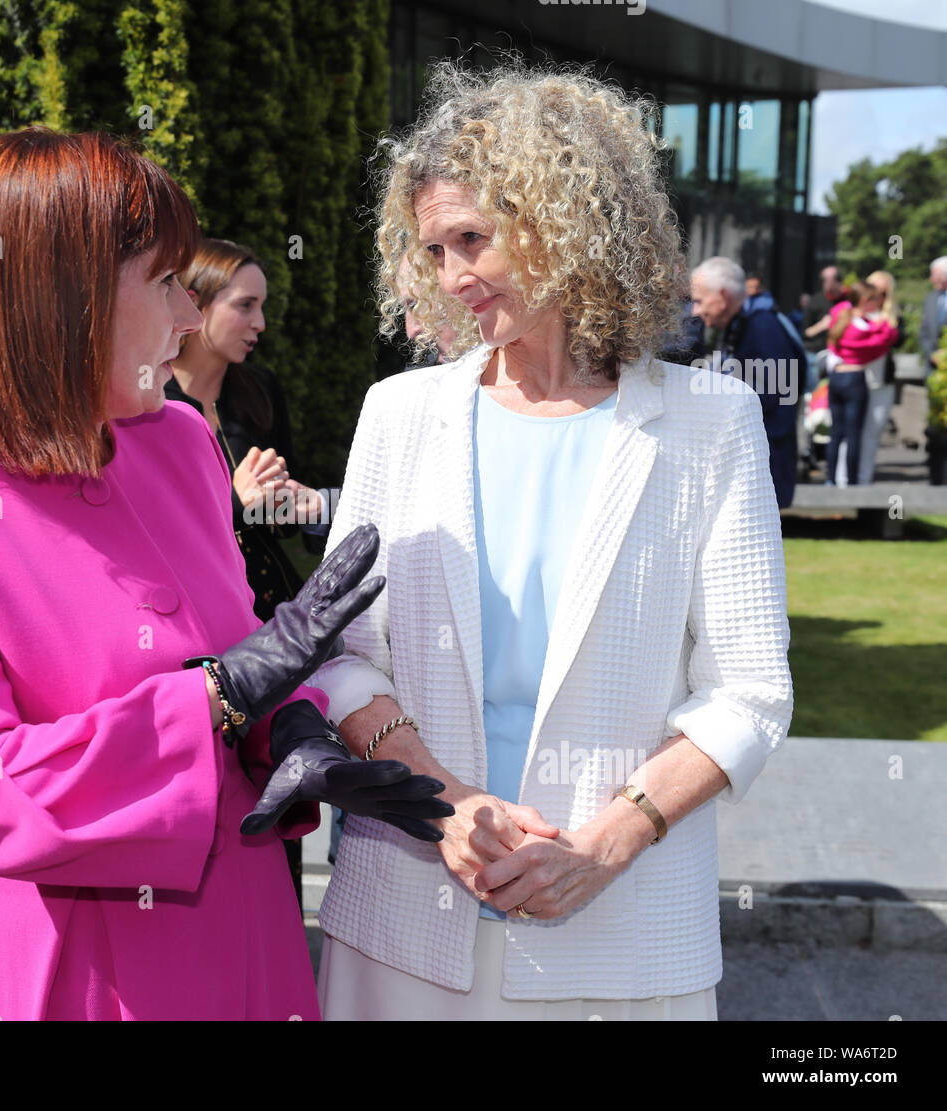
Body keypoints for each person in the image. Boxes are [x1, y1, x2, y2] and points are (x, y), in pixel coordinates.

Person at [0, 127, 451, 1021]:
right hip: (72, 975)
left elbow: (235, 651)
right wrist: (223, 695)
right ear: (62, 295)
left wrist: (292, 736)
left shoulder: (183, 443)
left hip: (245, 939)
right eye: (165, 282)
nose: (191, 317)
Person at [307, 63, 793, 1021]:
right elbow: (340, 648)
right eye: (434, 249)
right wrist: (444, 800)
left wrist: (608, 841)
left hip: (624, 931)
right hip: (403, 921)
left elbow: (749, 688)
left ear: (562, 220)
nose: (451, 277)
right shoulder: (400, 414)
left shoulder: (711, 422)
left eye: (472, 240)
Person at [166, 239, 327, 624]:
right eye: (245, 305)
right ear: (194, 303)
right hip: (198, 615)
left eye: (261, 306)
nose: (261, 323)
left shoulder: (261, 390)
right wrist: (238, 499)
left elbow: (276, 519)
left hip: (277, 605)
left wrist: (302, 508)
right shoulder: (153, 402)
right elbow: (165, 531)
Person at [691, 256, 803, 508]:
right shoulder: (744, 325)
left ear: (722, 296)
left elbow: (775, 392)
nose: (695, 311)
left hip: (764, 461)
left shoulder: (762, 327)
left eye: (699, 301)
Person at [825, 280, 899, 487]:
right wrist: (885, 324)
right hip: (854, 379)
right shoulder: (864, 328)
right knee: (853, 433)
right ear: (866, 301)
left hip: (836, 379)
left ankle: (831, 478)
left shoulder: (842, 318)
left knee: (836, 431)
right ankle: (852, 480)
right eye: (876, 299)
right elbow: (880, 341)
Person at [852, 270, 901, 485]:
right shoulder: (851, 317)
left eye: (882, 293)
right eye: (873, 292)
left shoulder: (892, 321)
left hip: (880, 382)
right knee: (850, 432)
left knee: (872, 432)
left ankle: (864, 479)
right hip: (854, 381)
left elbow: (896, 340)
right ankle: (844, 480)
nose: (877, 297)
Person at [918, 256, 947, 379]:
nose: (931, 279)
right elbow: (924, 332)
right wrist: (932, 355)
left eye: (935, 275)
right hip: (933, 366)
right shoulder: (930, 298)